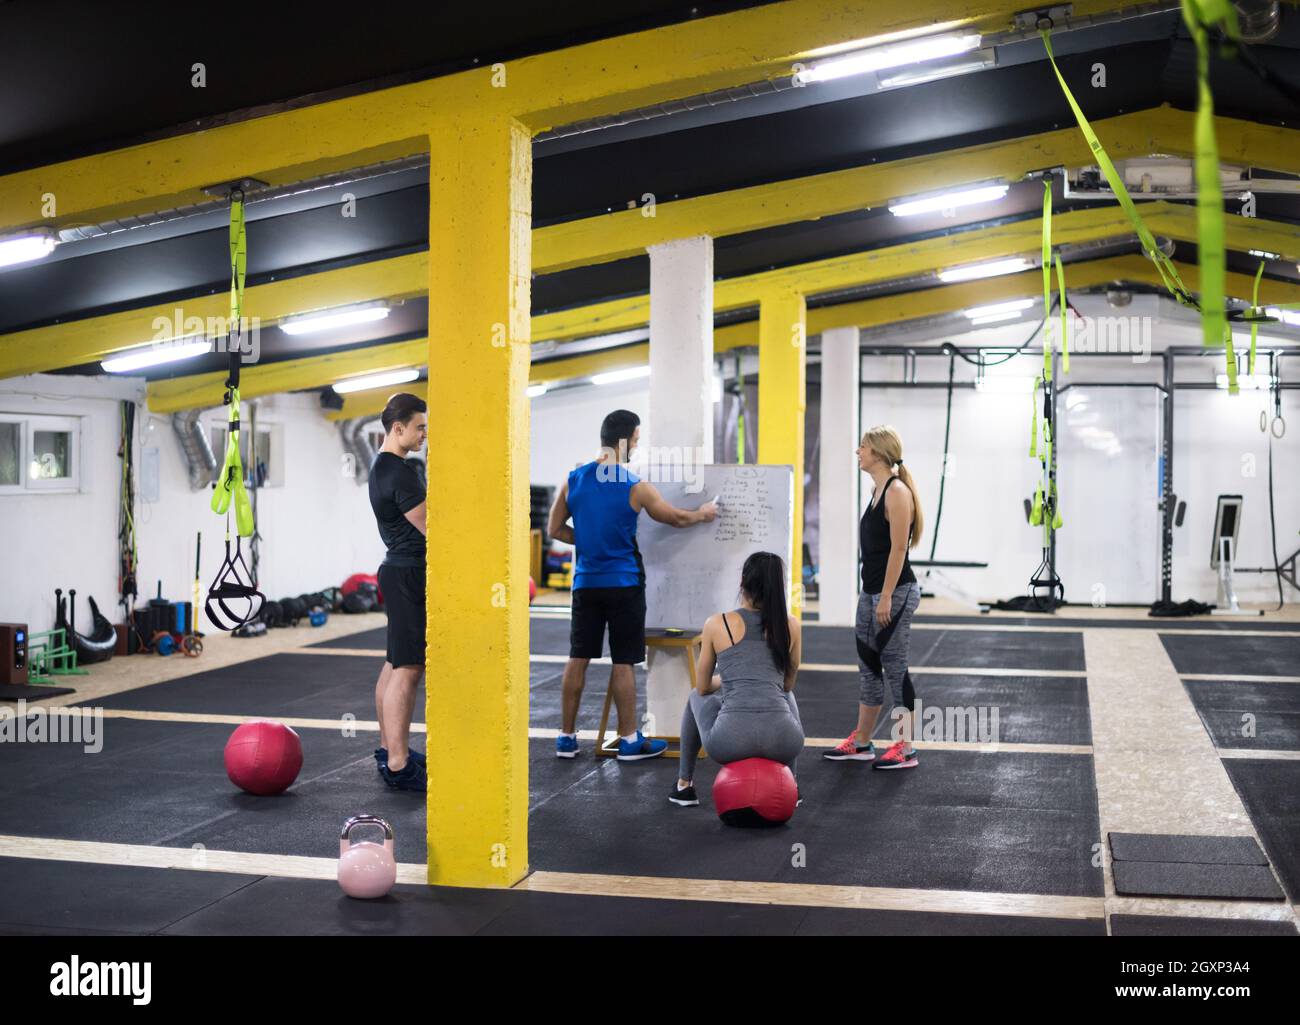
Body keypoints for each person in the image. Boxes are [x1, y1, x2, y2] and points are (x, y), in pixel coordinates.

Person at [547, 409, 716, 760]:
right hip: (623, 585)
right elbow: (676, 518)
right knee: (623, 661)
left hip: (586, 585)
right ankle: (628, 741)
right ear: (625, 441)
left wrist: (593, 541)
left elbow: (555, 530)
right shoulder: (633, 486)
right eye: (637, 440)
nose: (637, 447)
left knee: (577, 657)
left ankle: (565, 738)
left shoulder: (573, 480)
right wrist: (704, 514)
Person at [824, 424, 924, 770]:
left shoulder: (897, 492)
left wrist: (884, 598)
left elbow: (899, 548)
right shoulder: (876, 489)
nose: (858, 452)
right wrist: (872, 595)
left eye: (863, 447)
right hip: (872, 593)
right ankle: (862, 742)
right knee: (868, 667)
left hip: (894, 593)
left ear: (879, 453)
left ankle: (905, 748)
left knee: (895, 669)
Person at [672, 551, 804, 807]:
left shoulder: (716, 623)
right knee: (785, 694)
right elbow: (787, 684)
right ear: (779, 586)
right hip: (785, 743)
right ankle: (793, 786)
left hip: (729, 743)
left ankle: (684, 786)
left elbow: (702, 687)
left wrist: (730, 680)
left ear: (742, 582)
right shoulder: (791, 626)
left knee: (693, 695)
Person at [368, 392, 428, 791]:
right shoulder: (401, 473)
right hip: (408, 574)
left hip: (397, 571)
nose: (424, 434)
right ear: (398, 428)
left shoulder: (384, 466)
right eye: (419, 427)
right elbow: (435, 530)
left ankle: (389, 747)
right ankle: (398, 762)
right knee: (408, 668)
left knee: (394, 664)